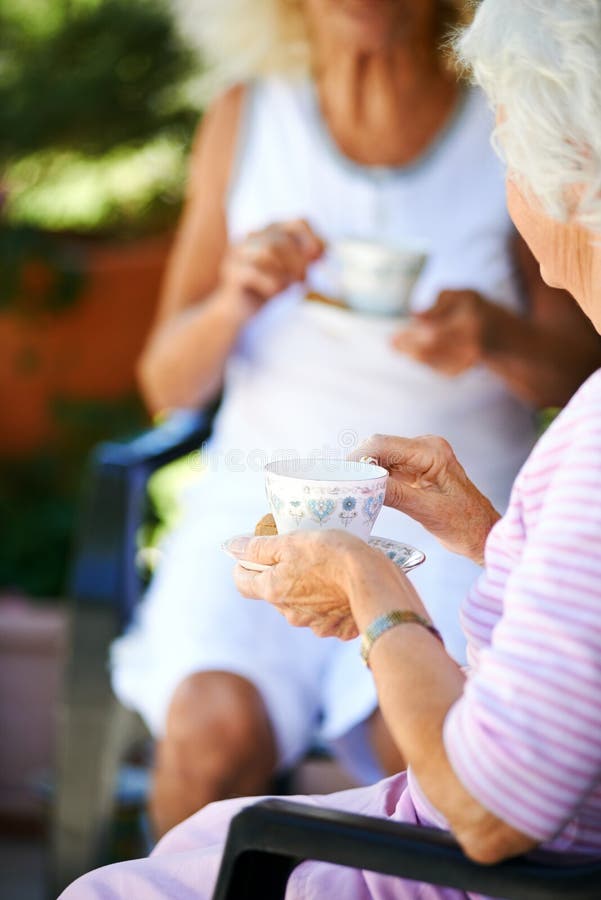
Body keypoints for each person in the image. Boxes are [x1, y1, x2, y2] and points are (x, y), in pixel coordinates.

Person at [60, 0, 601, 896]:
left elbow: (490, 798)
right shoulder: (247, 114)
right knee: (207, 732)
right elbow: (164, 383)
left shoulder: (523, 99)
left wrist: (491, 337)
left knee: (416, 734)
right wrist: (237, 296)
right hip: (292, 501)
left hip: (454, 509)